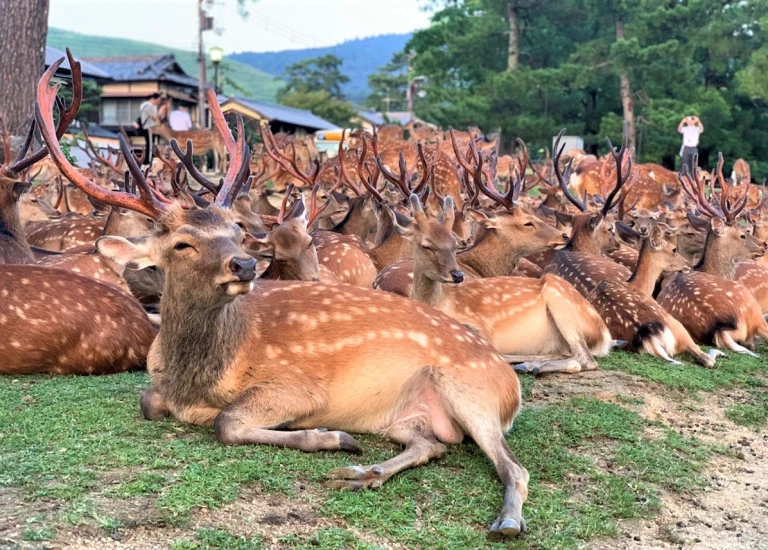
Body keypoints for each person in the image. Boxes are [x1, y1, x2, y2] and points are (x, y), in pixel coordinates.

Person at [136, 93, 161, 164]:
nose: (158, 102)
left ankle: (148, 161)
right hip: (148, 129)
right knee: (150, 145)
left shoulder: (145, 105)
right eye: (158, 100)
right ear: (154, 99)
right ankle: (148, 162)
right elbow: (155, 117)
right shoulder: (149, 106)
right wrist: (160, 113)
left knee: (150, 144)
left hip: (147, 128)